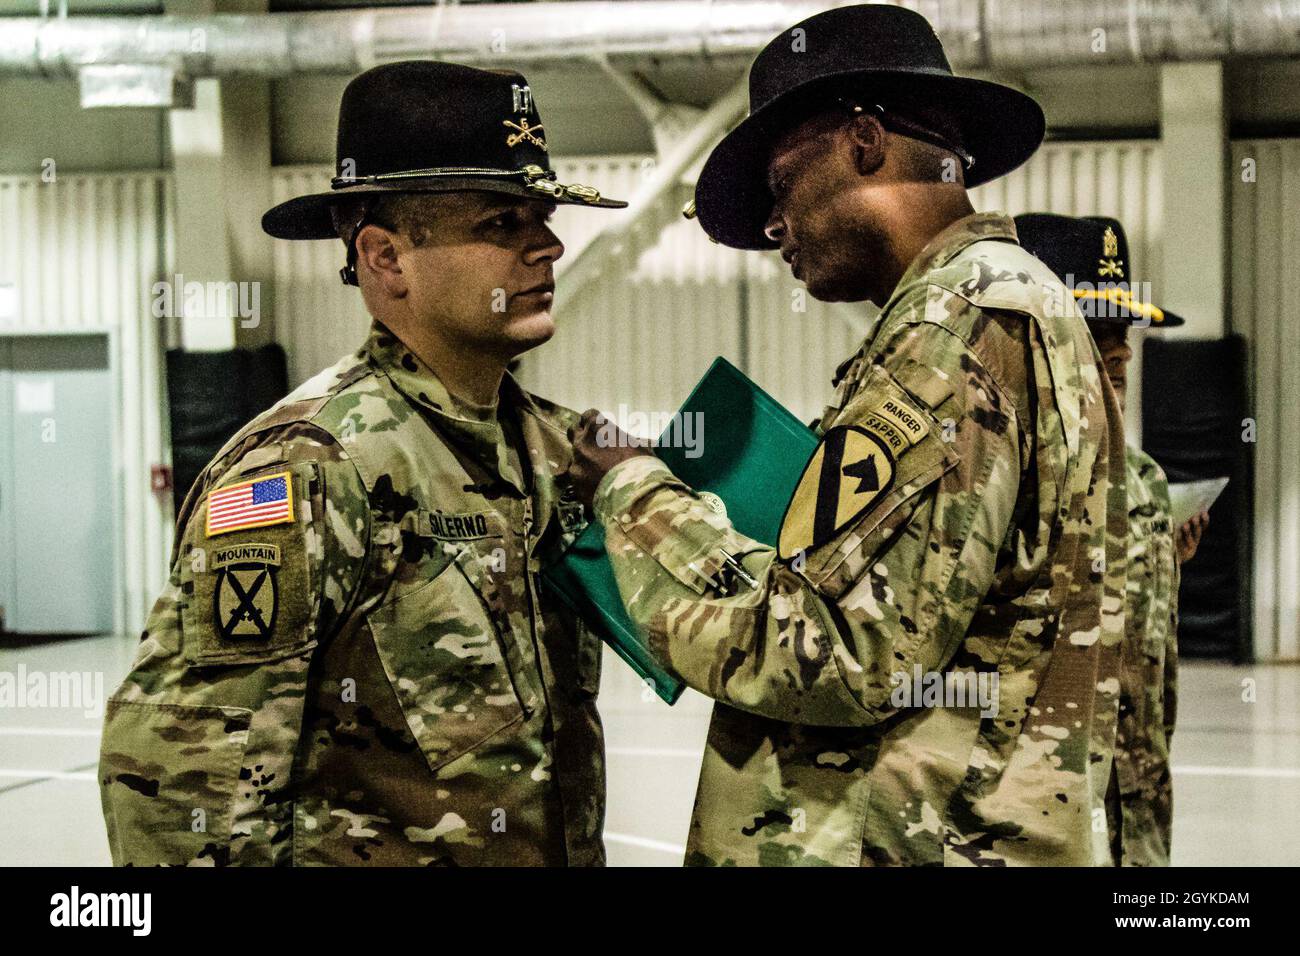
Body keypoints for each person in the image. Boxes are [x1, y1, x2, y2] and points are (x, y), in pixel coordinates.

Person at [568, 4, 1129, 866]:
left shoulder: (954, 323)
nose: (770, 226)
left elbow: (841, 652)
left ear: (863, 143)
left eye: (780, 186)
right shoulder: (999, 304)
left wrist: (639, 492)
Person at [98, 61, 625, 866]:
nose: (547, 245)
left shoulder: (556, 454)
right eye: (500, 223)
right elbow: (179, 796)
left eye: (541, 216)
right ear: (385, 258)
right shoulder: (306, 472)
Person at [1016, 212, 1207, 866]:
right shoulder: (989, 483)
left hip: (1136, 823)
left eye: (1122, 350)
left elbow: (1143, 696)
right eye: (1094, 344)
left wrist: (1164, 556)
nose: (1120, 358)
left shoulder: (1144, 481)